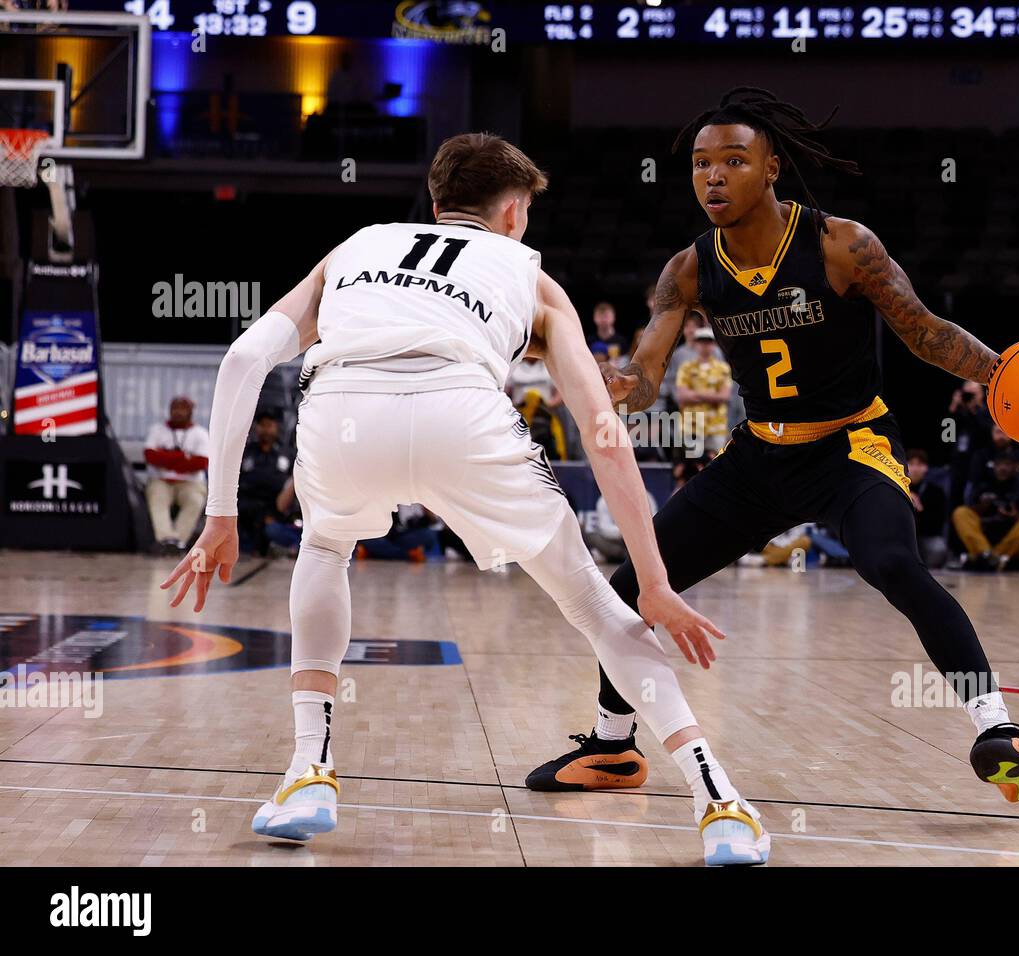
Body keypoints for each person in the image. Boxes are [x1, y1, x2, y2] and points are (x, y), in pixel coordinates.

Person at [159, 131, 769, 866]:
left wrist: (220, 514)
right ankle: (720, 805)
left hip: (346, 412)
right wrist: (657, 582)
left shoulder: (359, 247)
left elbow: (244, 357)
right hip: (463, 415)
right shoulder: (534, 278)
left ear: (437, 198)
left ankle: (305, 777)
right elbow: (603, 433)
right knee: (597, 609)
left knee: (324, 547)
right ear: (513, 213)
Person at [526, 87, 1019, 805]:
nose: (713, 176)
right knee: (630, 589)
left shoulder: (841, 244)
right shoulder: (688, 269)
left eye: (733, 161)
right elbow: (645, 376)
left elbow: (924, 332)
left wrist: (1000, 375)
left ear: (770, 169)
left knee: (892, 561)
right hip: (758, 458)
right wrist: (594, 375)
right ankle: (613, 749)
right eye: (702, 164)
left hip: (851, 445)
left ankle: (997, 728)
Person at [951, 449, 1019, 571]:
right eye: (999, 464)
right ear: (993, 466)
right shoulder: (984, 486)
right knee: (960, 512)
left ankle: (991, 557)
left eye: (1007, 464)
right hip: (987, 537)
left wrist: (1015, 516)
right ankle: (989, 555)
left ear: (1017, 466)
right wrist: (981, 507)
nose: (1002, 468)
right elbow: (971, 515)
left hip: (1016, 544)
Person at [143, 396, 210, 553]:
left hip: (190, 482)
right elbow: (150, 456)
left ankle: (178, 540)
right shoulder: (158, 430)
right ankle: (165, 539)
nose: (178, 412)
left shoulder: (200, 433)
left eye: (182, 409)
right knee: (157, 497)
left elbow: (200, 463)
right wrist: (182, 457)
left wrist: (166, 458)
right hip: (162, 480)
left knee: (195, 500)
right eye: (175, 408)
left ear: (190, 412)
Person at [237, 410, 294, 555]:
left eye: (269, 425)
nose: (265, 430)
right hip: (246, 509)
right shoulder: (246, 452)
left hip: (275, 510)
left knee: (273, 529)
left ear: (277, 427)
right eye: (262, 425)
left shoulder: (286, 454)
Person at [674, 326, 733, 457]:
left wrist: (695, 394)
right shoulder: (686, 367)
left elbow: (725, 396)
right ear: (695, 344)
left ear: (713, 344)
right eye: (701, 341)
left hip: (716, 426)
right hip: (692, 425)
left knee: (717, 463)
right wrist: (712, 396)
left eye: (708, 342)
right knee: (691, 465)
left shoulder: (723, 368)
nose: (705, 345)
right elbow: (682, 396)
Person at [906, 448, 948, 568]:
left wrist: (919, 509)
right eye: (911, 464)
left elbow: (937, 523)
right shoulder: (898, 488)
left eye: (919, 464)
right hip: (902, 537)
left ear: (926, 468)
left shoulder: (936, 491)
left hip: (925, 536)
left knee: (938, 549)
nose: (915, 468)